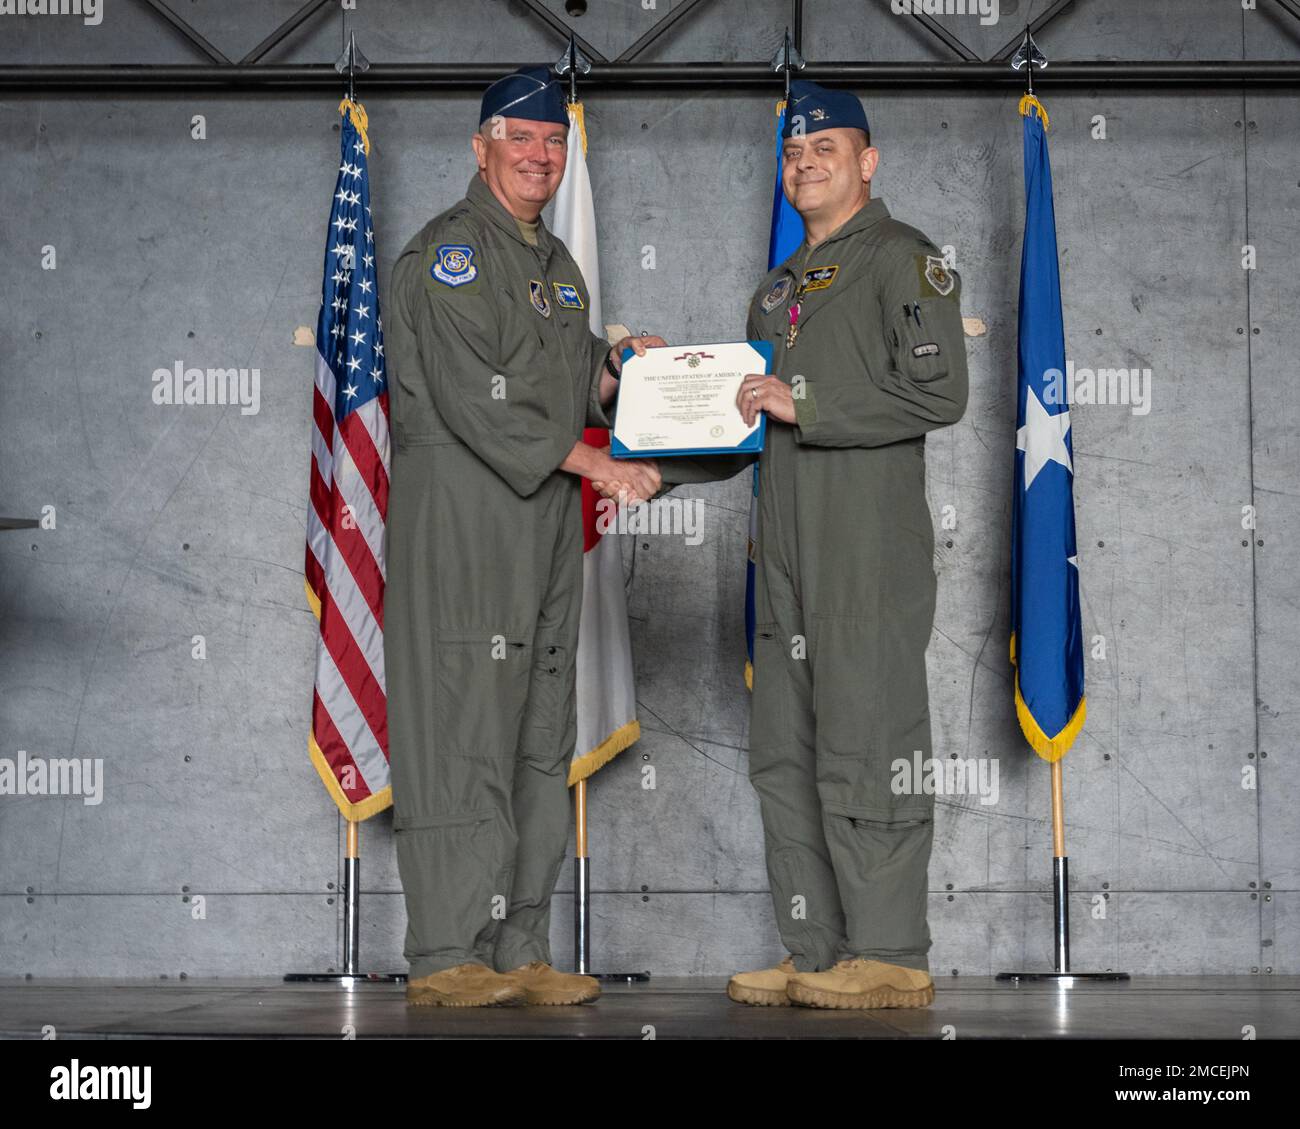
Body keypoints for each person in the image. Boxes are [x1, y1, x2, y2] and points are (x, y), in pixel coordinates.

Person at [660, 80, 969, 1008]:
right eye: (794, 154)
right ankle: (817, 946)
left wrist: (813, 404)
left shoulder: (906, 261)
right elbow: (749, 423)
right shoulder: (779, 287)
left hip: (864, 551)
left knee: (868, 739)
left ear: (867, 164)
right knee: (784, 750)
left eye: (825, 150)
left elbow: (940, 394)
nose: (805, 164)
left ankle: (891, 953)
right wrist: (649, 444)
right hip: (784, 552)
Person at [384, 65, 661, 1007]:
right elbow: (479, 403)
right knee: (463, 720)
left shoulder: (557, 267)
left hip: (541, 522)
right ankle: (446, 954)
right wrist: (600, 468)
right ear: (481, 147)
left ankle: (519, 946)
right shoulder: (448, 258)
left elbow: (573, 379)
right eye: (520, 138)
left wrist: (624, 372)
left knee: (539, 726)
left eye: (553, 141)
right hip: (465, 522)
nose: (541, 156)